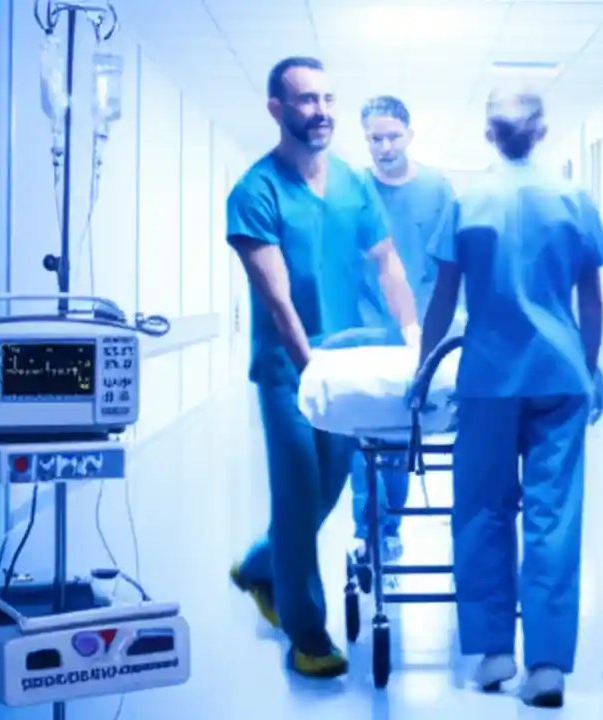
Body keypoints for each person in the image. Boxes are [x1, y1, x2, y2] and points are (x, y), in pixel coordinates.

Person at [415, 84, 603, 708]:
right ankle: (548, 664)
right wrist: (590, 366)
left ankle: (494, 651)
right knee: (555, 516)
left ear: (487, 134)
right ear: (544, 131)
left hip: (490, 380)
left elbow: (443, 300)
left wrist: (422, 369)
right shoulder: (573, 199)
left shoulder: (466, 200)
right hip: (559, 378)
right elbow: (592, 299)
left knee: (481, 511)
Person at [225, 56, 420, 679]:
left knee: (331, 487)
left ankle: (260, 563)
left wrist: (414, 334)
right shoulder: (255, 191)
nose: (322, 112)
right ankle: (307, 632)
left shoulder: (353, 185)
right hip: (290, 372)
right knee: (297, 488)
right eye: (307, 100)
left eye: (329, 99)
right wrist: (312, 370)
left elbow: (386, 262)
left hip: (347, 366)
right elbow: (276, 294)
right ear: (277, 110)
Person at [349, 95, 457, 562]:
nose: (385, 145)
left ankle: (390, 524)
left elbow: (451, 262)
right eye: (376, 137)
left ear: (410, 135)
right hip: (366, 327)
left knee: (400, 433)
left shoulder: (437, 189)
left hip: (421, 334)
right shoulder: (353, 189)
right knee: (362, 434)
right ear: (366, 139)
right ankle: (365, 527)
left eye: (394, 136)